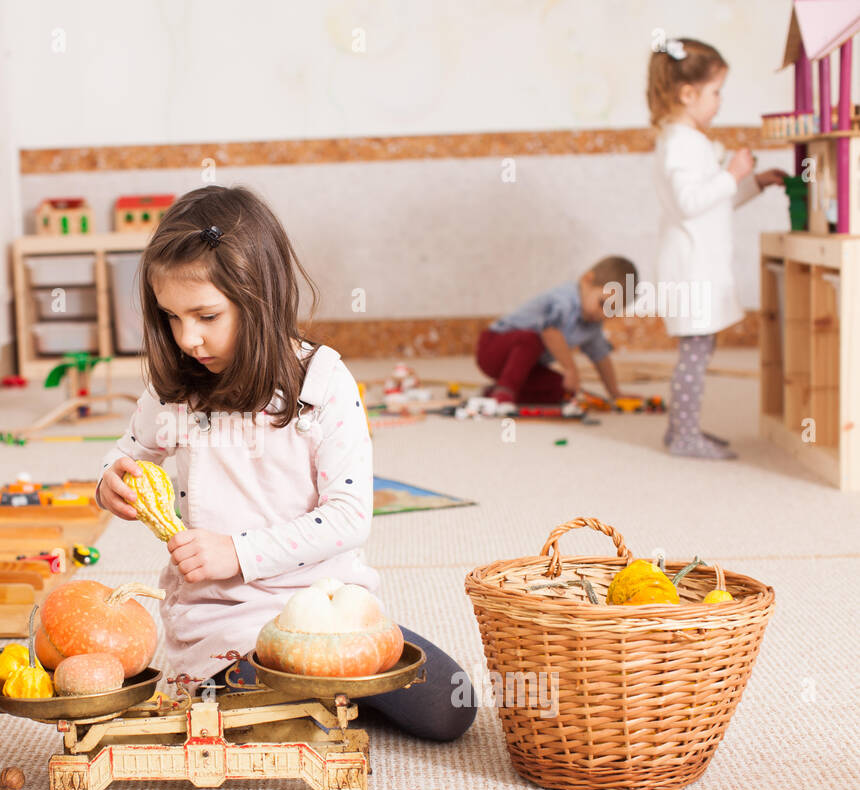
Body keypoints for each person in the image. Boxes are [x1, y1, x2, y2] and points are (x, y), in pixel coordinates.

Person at [95, 185, 475, 742]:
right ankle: (292, 700)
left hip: (325, 607)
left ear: (259, 296)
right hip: (226, 618)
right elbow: (128, 456)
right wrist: (110, 483)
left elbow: (348, 517)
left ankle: (311, 695)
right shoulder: (175, 389)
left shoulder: (321, 384)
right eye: (172, 318)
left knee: (450, 706)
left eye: (206, 315)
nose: (188, 338)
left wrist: (239, 551)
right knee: (246, 702)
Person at [650, 36, 786, 458]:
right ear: (687, 94)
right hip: (690, 268)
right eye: (715, 92)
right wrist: (732, 173)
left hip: (699, 264)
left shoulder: (691, 140)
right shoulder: (679, 143)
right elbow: (692, 203)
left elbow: (715, 200)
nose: (720, 101)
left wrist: (751, 182)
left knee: (698, 349)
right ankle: (685, 437)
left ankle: (681, 432)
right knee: (695, 352)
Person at [476, 256, 638, 410]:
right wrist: (570, 369)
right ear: (587, 280)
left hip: (525, 367)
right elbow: (550, 332)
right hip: (493, 349)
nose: (603, 315)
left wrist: (615, 393)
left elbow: (601, 357)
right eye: (603, 303)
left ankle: (493, 393)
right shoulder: (565, 299)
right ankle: (505, 391)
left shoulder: (593, 323)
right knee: (531, 339)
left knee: (564, 389)